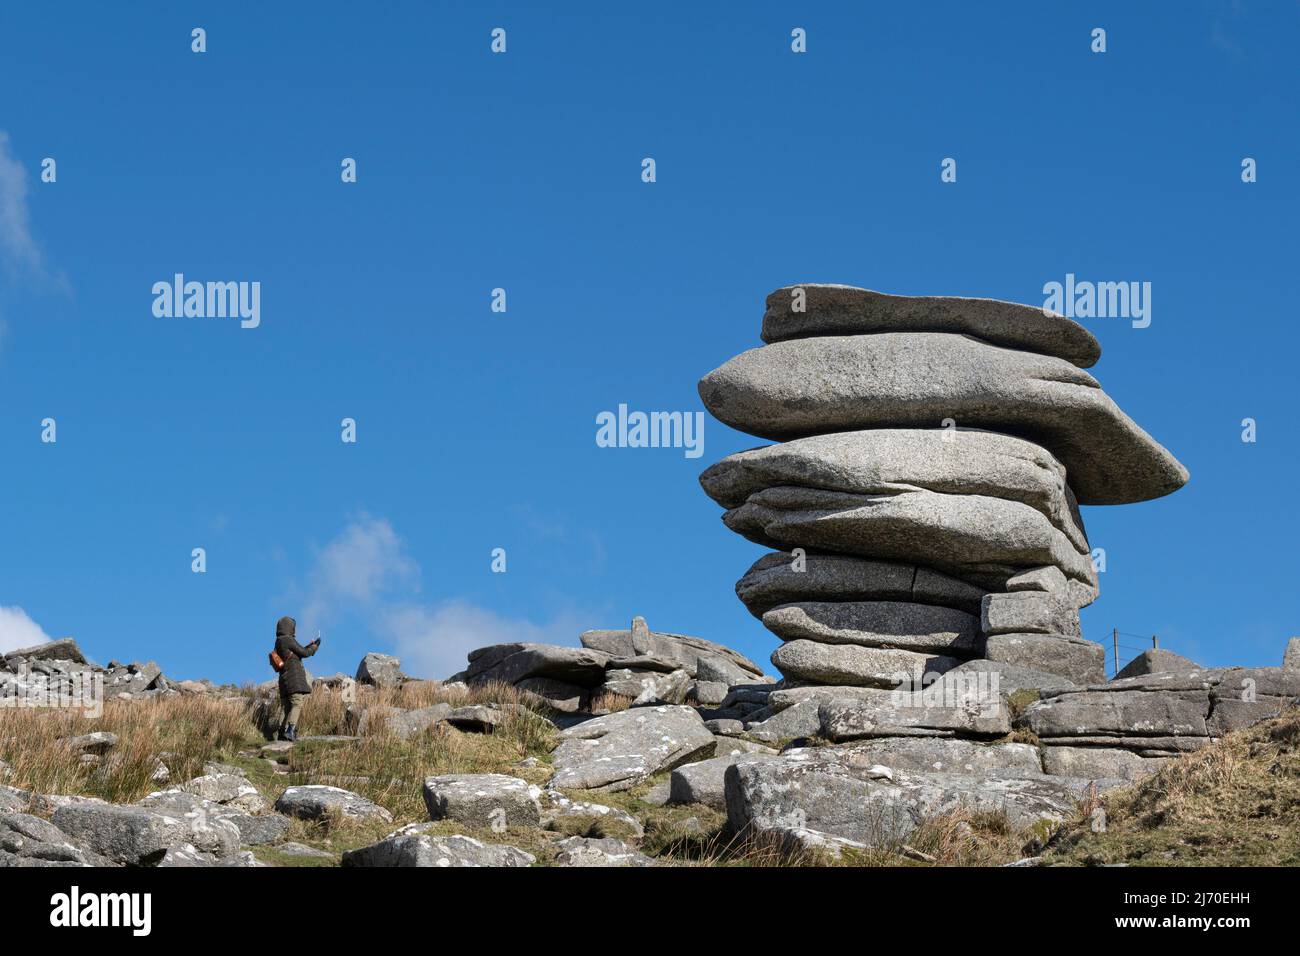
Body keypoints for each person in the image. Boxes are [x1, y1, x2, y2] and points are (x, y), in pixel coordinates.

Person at [275, 616, 320, 741]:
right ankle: (291, 731)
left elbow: (296, 652)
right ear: (290, 627)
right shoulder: (288, 639)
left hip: (283, 679)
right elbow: (304, 653)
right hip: (293, 677)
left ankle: (281, 733)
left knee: (286, 706)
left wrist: (309, 646)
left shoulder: (278, 641)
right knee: (297, 703)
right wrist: (315, 647)